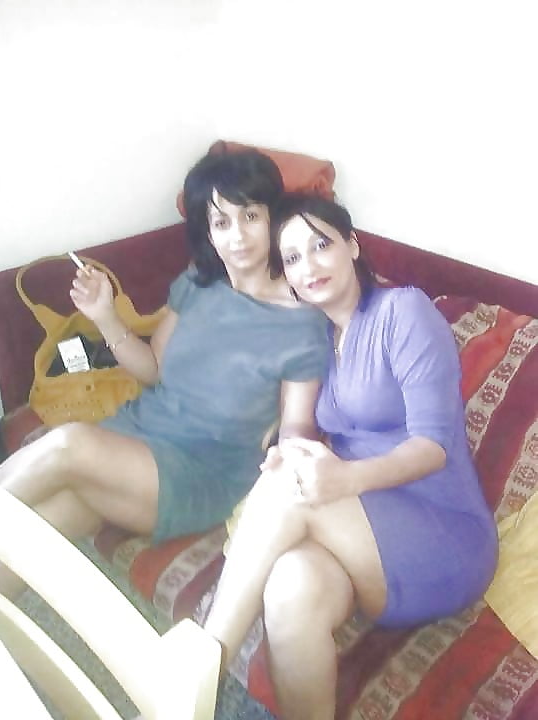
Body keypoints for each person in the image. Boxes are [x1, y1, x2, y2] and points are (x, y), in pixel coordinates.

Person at [203, 192, 499, 720]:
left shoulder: (403, 311)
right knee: (290, 587)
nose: (309, 265)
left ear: (352, 246)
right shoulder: (316, 337)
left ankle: (198, 669)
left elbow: (433, 447)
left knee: (292, 488)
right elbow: (300, 429)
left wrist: (343, 478)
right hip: (365, 530)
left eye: (321, 245)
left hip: (441, 530)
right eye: (293, 258)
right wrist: (285, 454)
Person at [0, 153, 329, 601]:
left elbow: (296, 426)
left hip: (201, 471)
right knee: (38, 530)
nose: (237, 236)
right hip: (137, 433)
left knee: (65, 444)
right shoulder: (198, 282)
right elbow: (152, 370)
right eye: (222, 222)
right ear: (207, 231)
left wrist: (289, 460)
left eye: (251, 216)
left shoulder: (302, 323)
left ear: (273, 217)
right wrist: (104, 315)